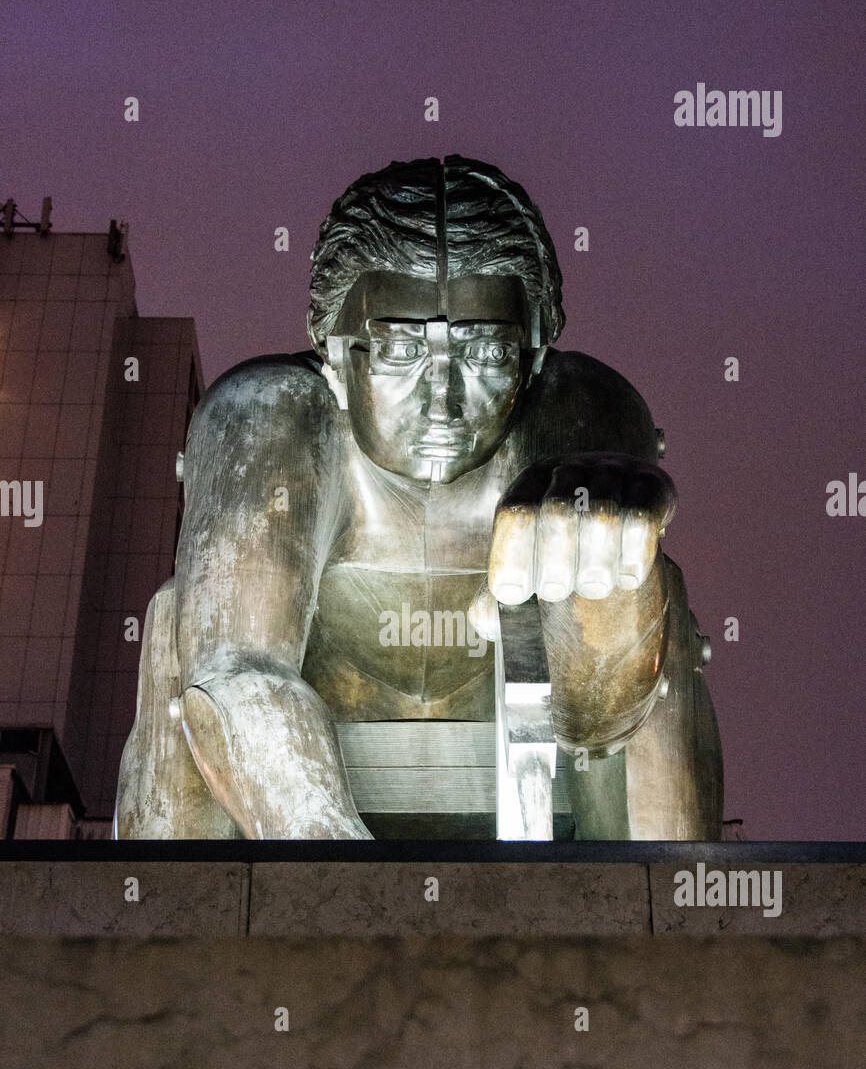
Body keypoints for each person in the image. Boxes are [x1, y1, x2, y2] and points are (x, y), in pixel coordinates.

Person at [116, 155, 722, 839]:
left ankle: (669, 930)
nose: (445, 402)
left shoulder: (578, 408)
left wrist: (608, 601)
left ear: (534, 357)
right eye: (399, 352)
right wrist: (359, 889)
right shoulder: (270, 413)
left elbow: (602, 722)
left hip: (533, 741)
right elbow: (240, 668)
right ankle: (170, 932)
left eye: (487, 355)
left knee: (648, 583)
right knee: (182, 630)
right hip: (300, 778)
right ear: (334, 357)